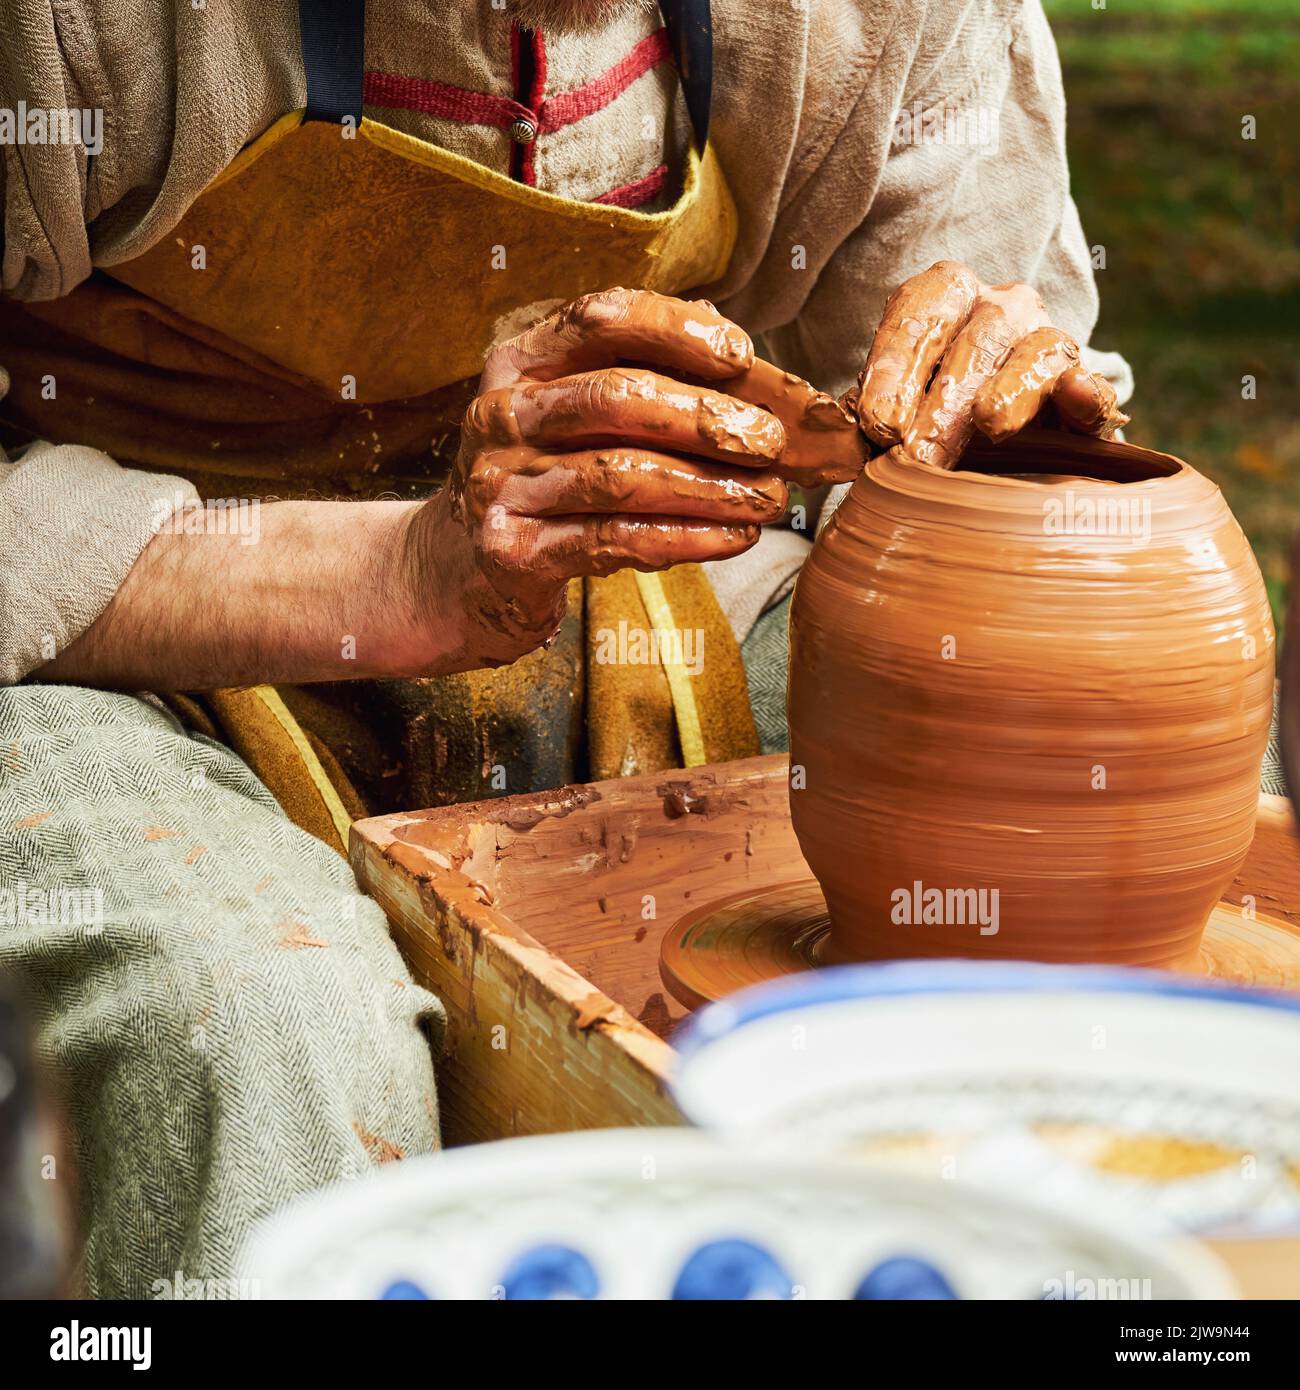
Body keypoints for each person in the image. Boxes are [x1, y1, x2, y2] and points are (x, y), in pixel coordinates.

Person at [0, 0, 1139, 1296]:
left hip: (606, 567)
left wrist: (1022, 452)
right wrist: (405, 570)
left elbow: (975, 440)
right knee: (264, 1025)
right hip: (97, 608)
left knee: (1030, 844)